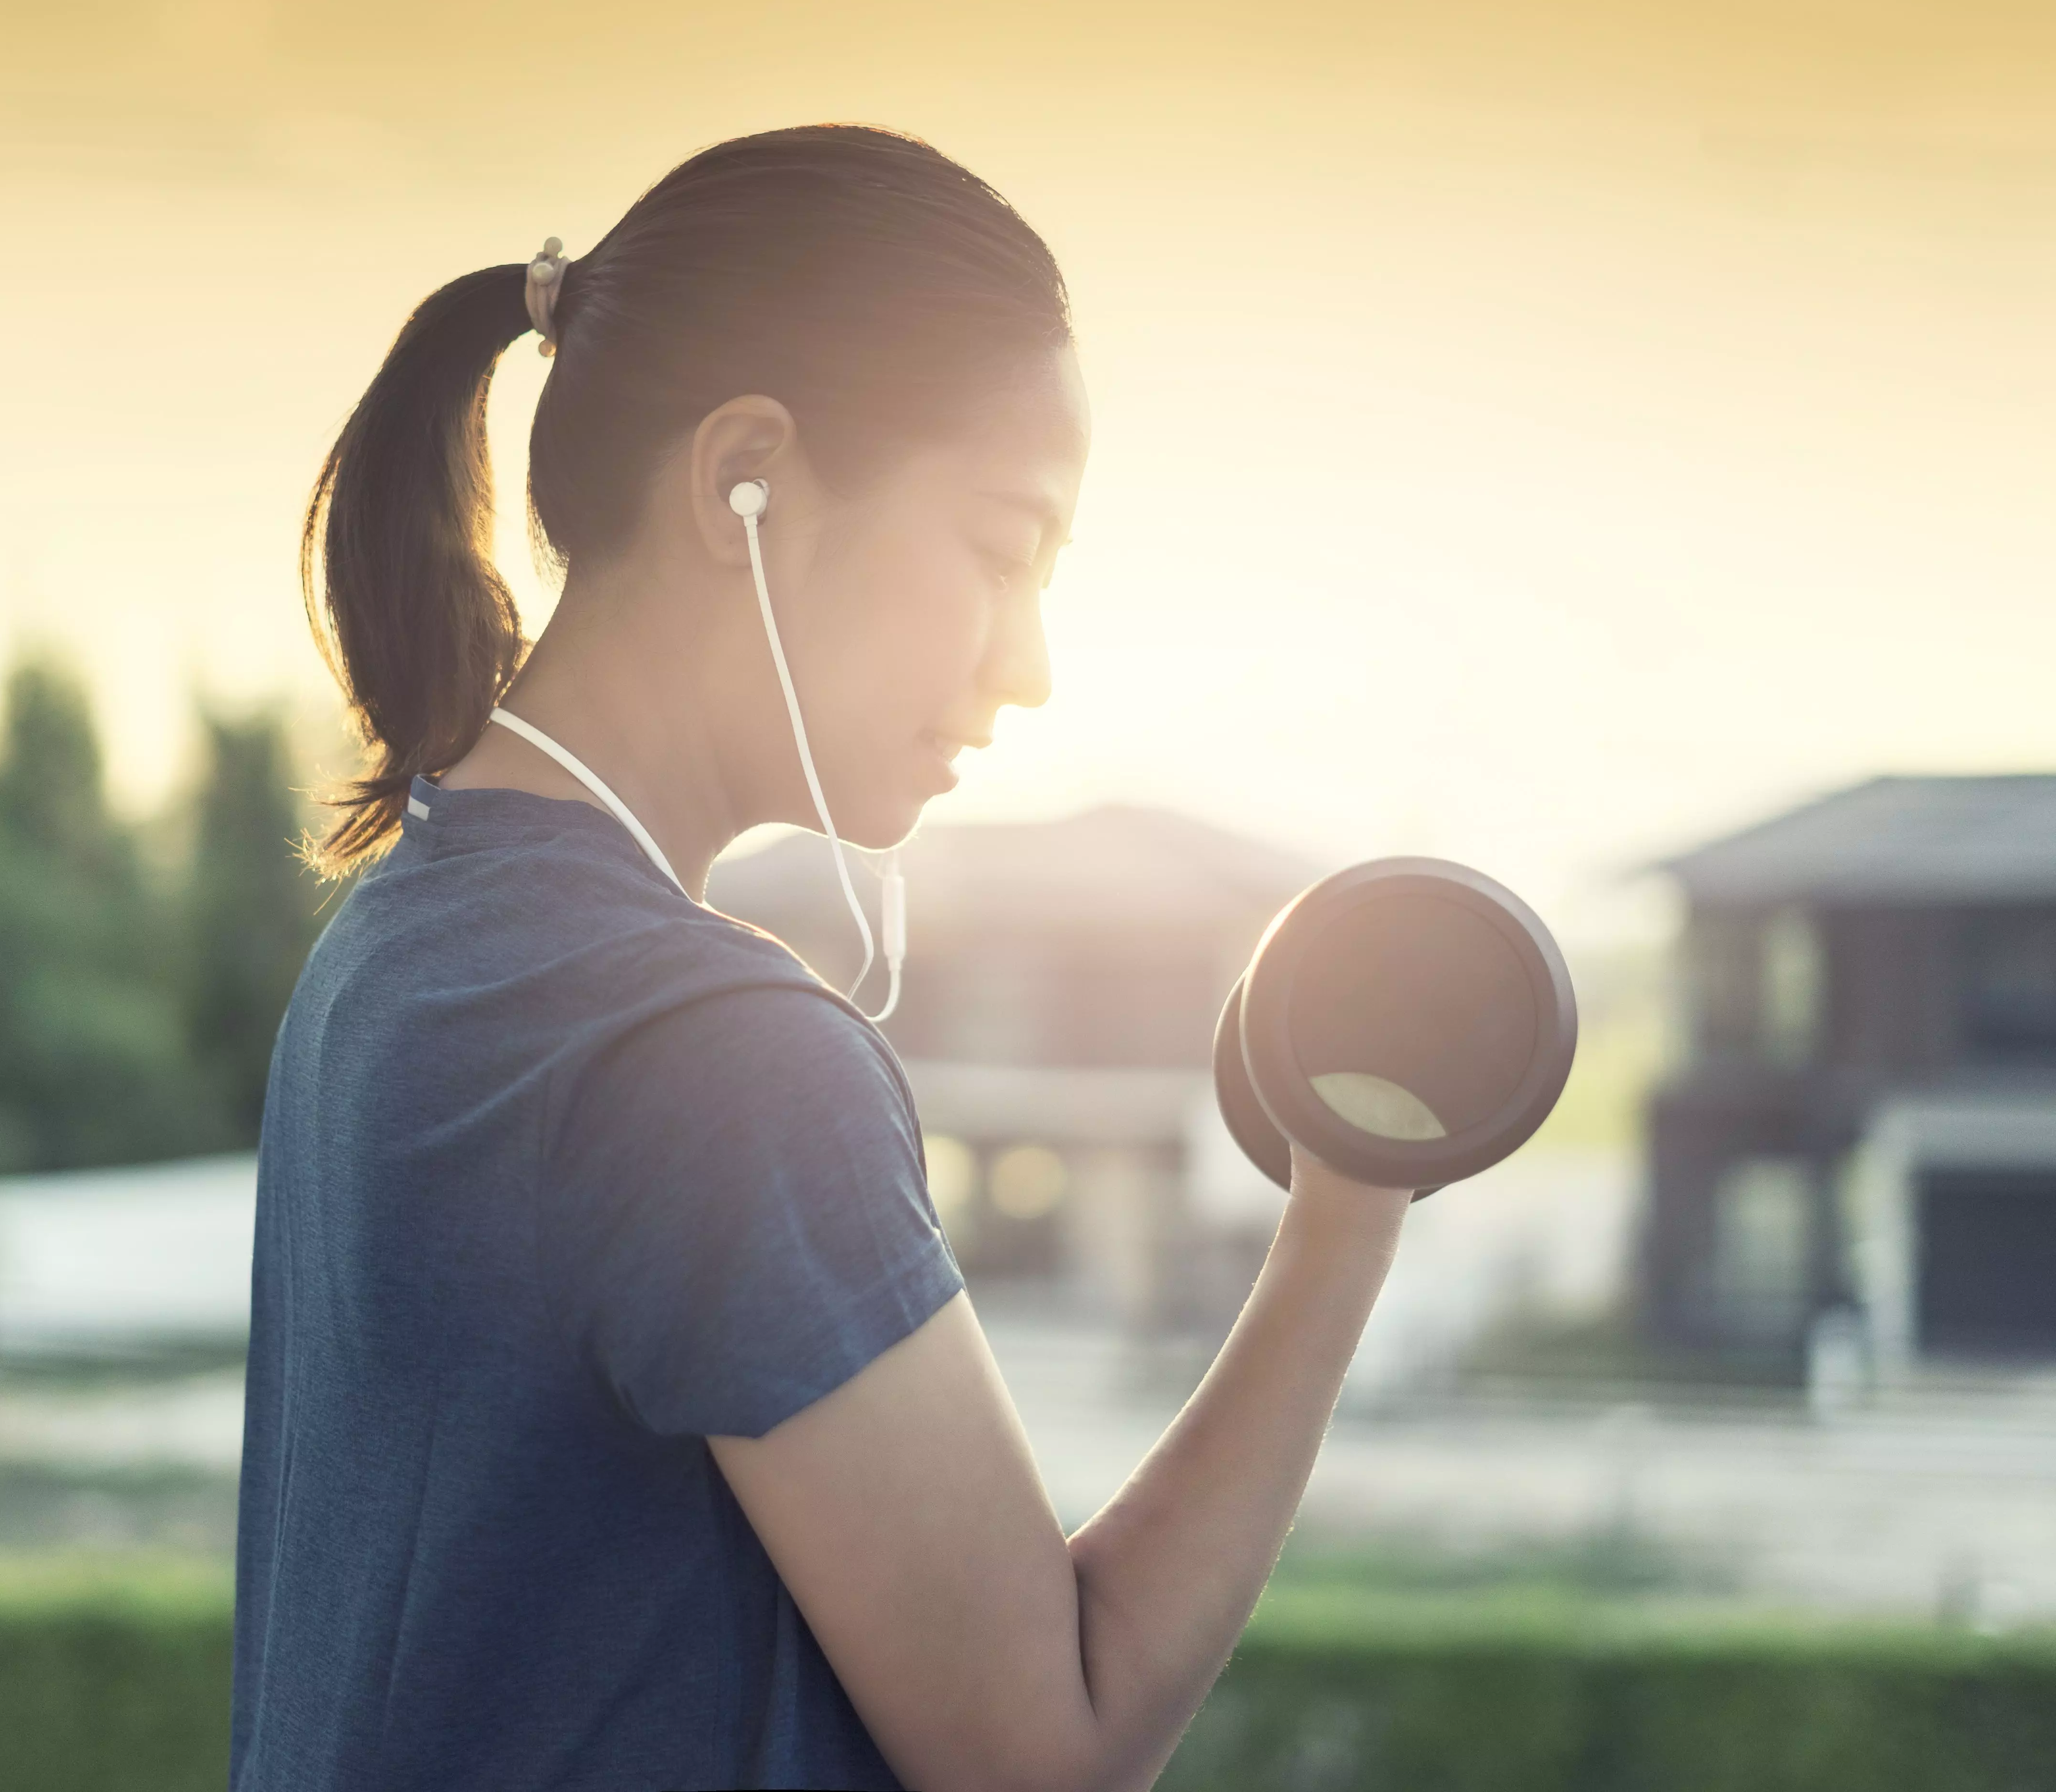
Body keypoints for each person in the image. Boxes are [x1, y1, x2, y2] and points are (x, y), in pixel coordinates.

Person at [230, 123, 1411, 1792]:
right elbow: (1041, 1754)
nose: (1032, 668)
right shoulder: (711, 1053)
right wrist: (1352, 1204)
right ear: (743, 481)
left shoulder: (397, 942)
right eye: (1002, 551)